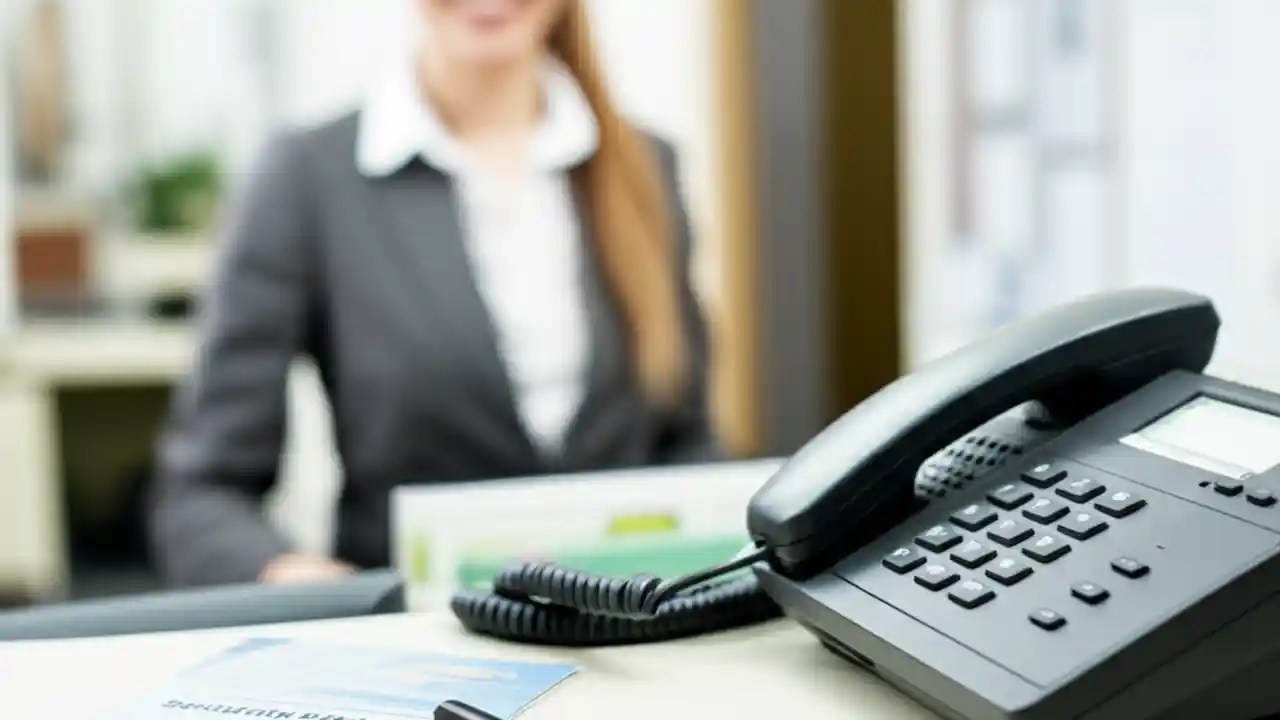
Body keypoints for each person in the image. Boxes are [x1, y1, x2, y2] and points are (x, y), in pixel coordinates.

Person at [150, 0, 718, 586]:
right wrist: (306, 582)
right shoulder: (310, 178)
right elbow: (203, 496)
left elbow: (688, 443)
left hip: (631, 626)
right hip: (412, 632)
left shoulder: (644, 167)